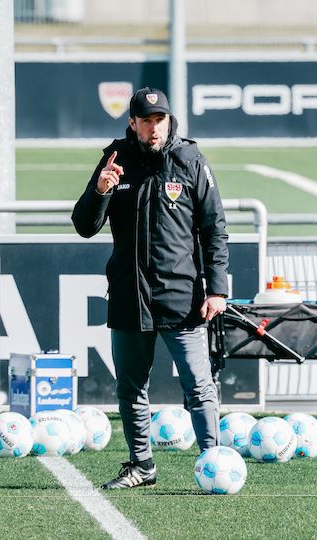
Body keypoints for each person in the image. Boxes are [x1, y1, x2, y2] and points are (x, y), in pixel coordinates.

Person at [72, 87, 229, 490]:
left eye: (160, 120)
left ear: (168, 120)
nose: (154, 127)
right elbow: (85, 226)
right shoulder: (115, 158)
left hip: (181, 296)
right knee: (130, 388)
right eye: (146, 121)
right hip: (129, 296)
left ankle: (214, 460)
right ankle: (141, 465)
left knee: (199, 385)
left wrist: (218, 289)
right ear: (133, 123)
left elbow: (214, 230)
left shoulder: (190, 159)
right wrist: (101, 189)